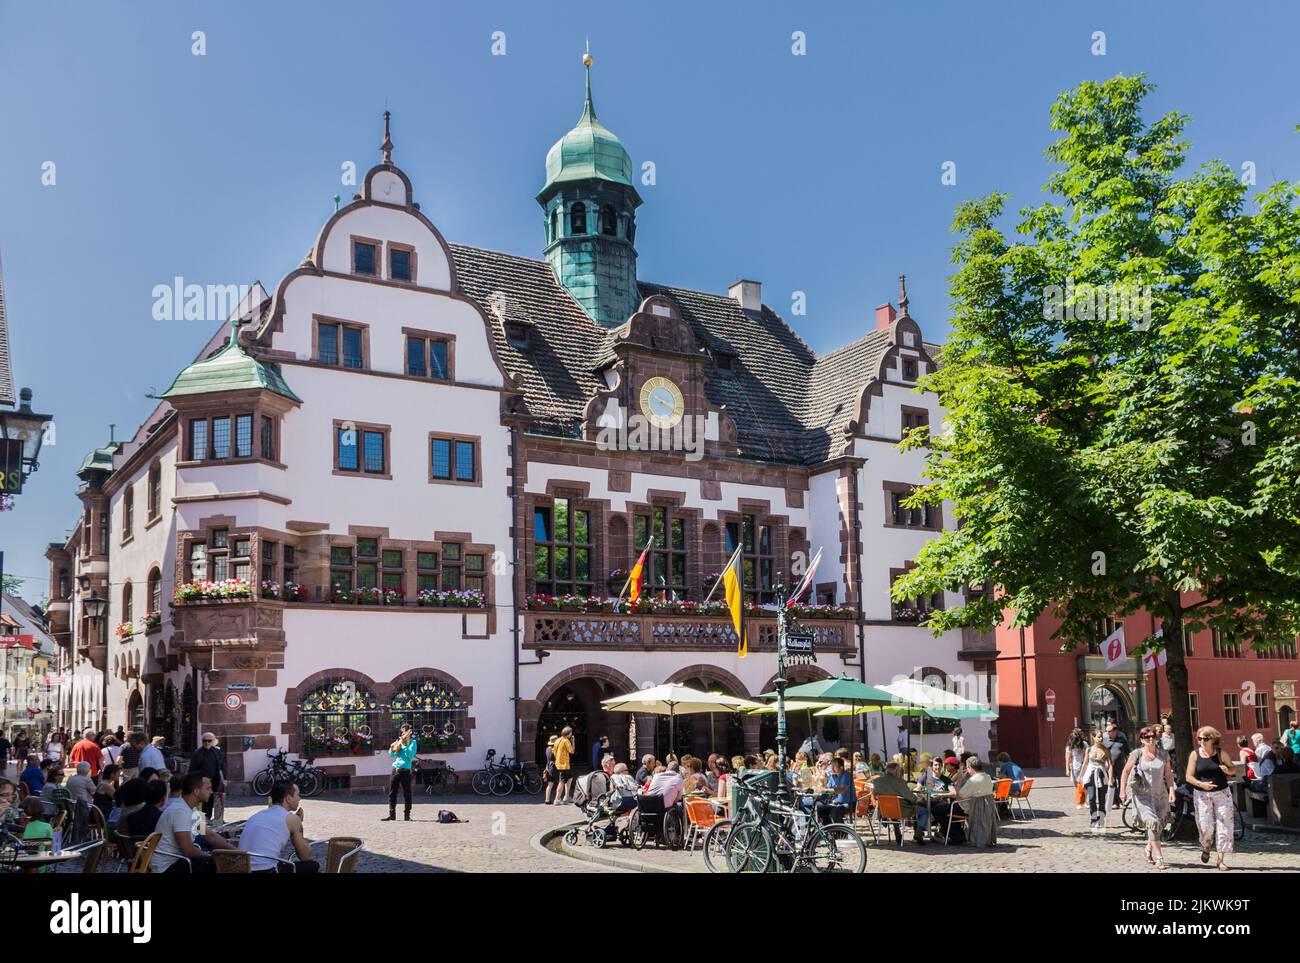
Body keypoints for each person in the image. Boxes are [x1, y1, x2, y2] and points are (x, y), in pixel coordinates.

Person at [150, 772, 234, 873]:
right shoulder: (179, 811)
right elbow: (188, 850)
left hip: (178, 860)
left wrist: (235, 851)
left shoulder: (191, 809)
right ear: (196, 792)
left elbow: (210, 835)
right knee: (212, 863)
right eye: (208, 788)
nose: (211, 792)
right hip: (166, 866)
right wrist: (212, 857)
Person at [1120, 726, 1176, 870]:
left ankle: (1148, 848)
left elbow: (1168, 775)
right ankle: (1159, 857)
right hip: (1142, 795)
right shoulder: (1136, 754)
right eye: (1146, 737)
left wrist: (1171, 790)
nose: (1150, 739)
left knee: (1159, 824)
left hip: (1160, 794)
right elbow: (1125, 772)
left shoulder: (1164, 754)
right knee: (1152, 822)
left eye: (1153, 737)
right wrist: (1122, 791)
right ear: (1141, 740)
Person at [239, 781, 320, 873]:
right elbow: (305, 856)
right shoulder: (292, 819)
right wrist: (298, 825)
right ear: (288, 798)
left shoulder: (257, 815)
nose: (299, 798)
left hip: (242, 869)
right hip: (266, 870)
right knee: (312, 865)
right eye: (297, 795)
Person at [1186, 726, 1236, 870]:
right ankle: (1206, 847)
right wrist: (1200, 783)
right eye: (1199, 738)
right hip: (1202, 795)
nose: (1201, 741)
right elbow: (1188, 777)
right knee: (1205, 826)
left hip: (1222, 794)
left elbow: (1233, 769)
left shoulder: (1221, 753)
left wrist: (1228, 770)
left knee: (1225, 825)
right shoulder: (1195, 755)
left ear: (1213, 739)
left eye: (1205, 738)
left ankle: (1220, 860)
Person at [871, 761, 927, 844]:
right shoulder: (900, 782)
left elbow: (875, 795)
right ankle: (918, 832)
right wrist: (921, 800)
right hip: (902, 811)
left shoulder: (877, 781)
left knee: (895, 808)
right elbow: (912, 798)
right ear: (897, 770)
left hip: (885, 811)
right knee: (924, 811)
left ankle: (898, 833)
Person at [955, 756, 997, 847]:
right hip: (987, 807)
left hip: (974, 808)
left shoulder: (972, 780)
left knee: (939, 810)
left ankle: (955, 836)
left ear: (970, 767)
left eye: (967, 767)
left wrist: (959, 780)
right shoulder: (987, 776)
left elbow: (958, 796)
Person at [382, 725, 418, 821]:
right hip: (396, 769)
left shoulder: (413, 743)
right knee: (392, 793)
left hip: (405, 771)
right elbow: (391, 754)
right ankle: (392, 815)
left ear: (409, 733)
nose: (403, 734)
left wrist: (405, 745)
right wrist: (393, 747)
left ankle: (407, 815)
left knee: (407, 793)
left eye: (405, 733)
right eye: (402, 733)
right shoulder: (399, 741)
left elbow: (410, 755)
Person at [188, 732, 226, 820]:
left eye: (209, 741)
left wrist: (225, 778)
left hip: (216, 781)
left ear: (213, 741)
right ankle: (201, 824)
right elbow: (192, 769)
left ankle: (217, 822)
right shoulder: (197, 753)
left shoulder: (217, 751)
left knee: (217, 801)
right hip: (202, 783)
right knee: (203, 803)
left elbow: (222, 765)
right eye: (204, 741)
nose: (207, 743)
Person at [1080, 732, 1112, 829]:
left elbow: (1110, 765)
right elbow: (1085, 763)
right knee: (1092, 797)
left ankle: (1101, 819)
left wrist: (1110, 779)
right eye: (1098, 737)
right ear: (1093, 737)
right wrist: (1081, 776)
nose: (1100, 738)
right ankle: (1094, 818)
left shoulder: (1106, 750)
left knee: (1102, 798)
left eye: (1101, 737)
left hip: (1101, 774)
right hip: (1090, 774)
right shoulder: (1089, 750)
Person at [818, 756, 856, 826]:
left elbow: (842, 790)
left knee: (834, 812)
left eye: (834, 767)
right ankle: (830, 831)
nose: (832, 769)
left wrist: (825, 789)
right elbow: (827, 789)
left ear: (841, 767)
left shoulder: (846, 775)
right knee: (820, 810)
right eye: (831, 766)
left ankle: (842, 834)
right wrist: (822, 783)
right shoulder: (833, 776)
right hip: (836, 804)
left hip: (849, 804)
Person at [1101, 722, 1129, 809]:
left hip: (1120, 765)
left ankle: (1121, 800)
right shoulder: (1104, 741)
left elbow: (1128, 752)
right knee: (1112, 783)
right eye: (1107, 731)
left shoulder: (1122, 740)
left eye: (1109, 731)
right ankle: (1114, 802)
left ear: (1115, 731)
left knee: (1121, 782)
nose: (1108, 733)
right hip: (1109, 766)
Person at [1065, 728, 1087, 810]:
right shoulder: (1070, 745)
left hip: (1083, 766)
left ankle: (1082, 801)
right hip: (1074, 767)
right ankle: (1080, 801)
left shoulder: (1084, 744)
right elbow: (1068, 757)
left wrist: (1084, 753)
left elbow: (1088, 754)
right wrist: (1067, 769)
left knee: (1083, 785)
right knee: (1077, 786)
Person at [552, 726, 575, 804]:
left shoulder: (557, 740)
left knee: (569, 779)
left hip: (559, 764)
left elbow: (554, 751)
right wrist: (573, 741)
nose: (571, 734)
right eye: (571, 733)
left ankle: (566, 797)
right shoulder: (566, 741)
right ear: (568, 734)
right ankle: (557, 799)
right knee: (561, 782)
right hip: (564, 765)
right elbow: (571, 751)